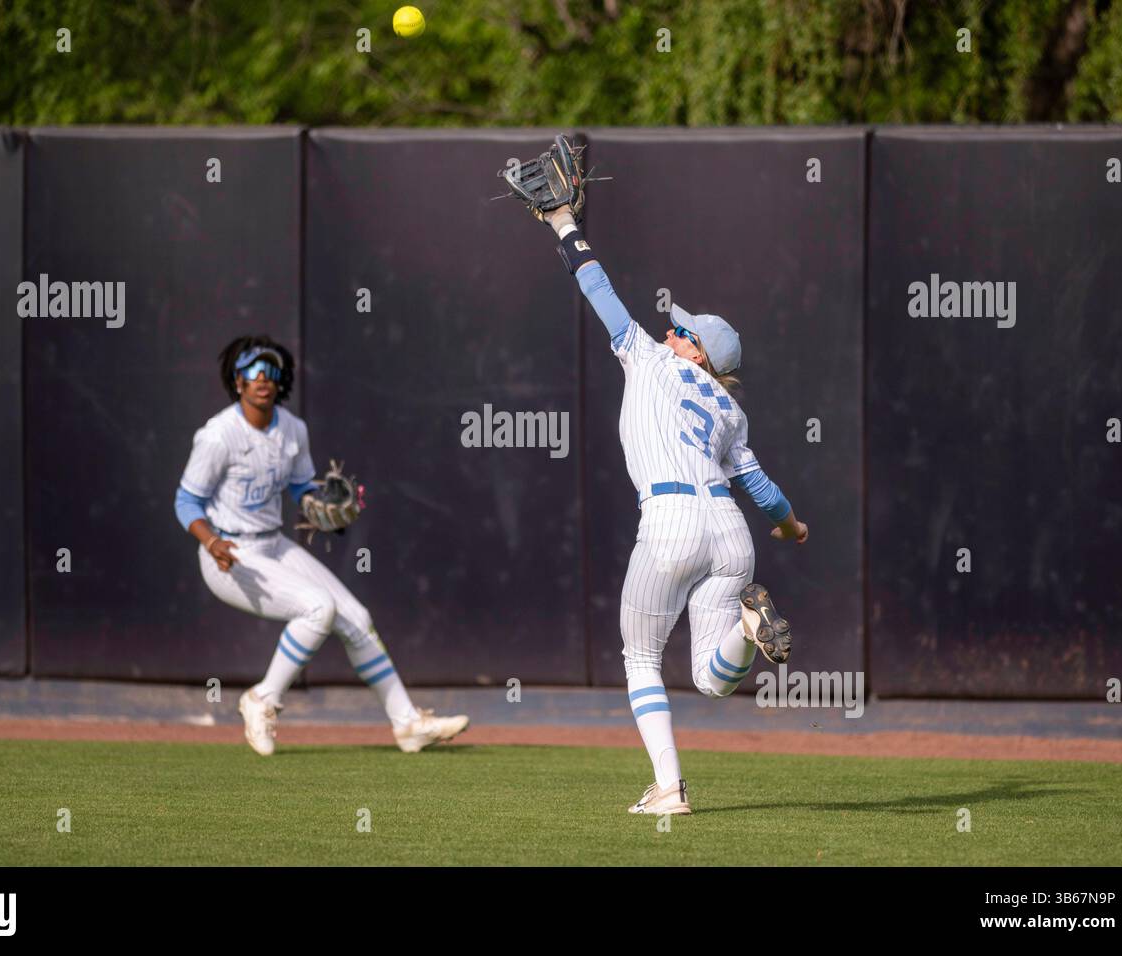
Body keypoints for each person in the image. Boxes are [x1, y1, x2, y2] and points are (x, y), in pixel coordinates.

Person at [538, 205, 808, 815]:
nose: (669, 332)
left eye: (681, 331)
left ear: (696, 355)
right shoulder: (732, 413)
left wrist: (561, 224)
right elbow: (764, 493)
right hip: (731, 534)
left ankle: (669, 789)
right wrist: (792, 527)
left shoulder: (650, 359)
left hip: (671, 521)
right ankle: (747, 627)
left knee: (639, 656)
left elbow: (596, 284)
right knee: (713, 681)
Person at [173, 335, 470, 755]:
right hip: (228, 554)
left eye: (272, 371)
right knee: (319, 606)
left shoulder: (293, 430)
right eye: (254, 371)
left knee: (356, 617)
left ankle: (408, 725)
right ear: (238, 381)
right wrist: (211, 540)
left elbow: (299, 488)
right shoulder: (219, 435)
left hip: (271, 544)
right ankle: (262, 700)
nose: (264, 379)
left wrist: (320, 502)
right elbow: (186, 501)